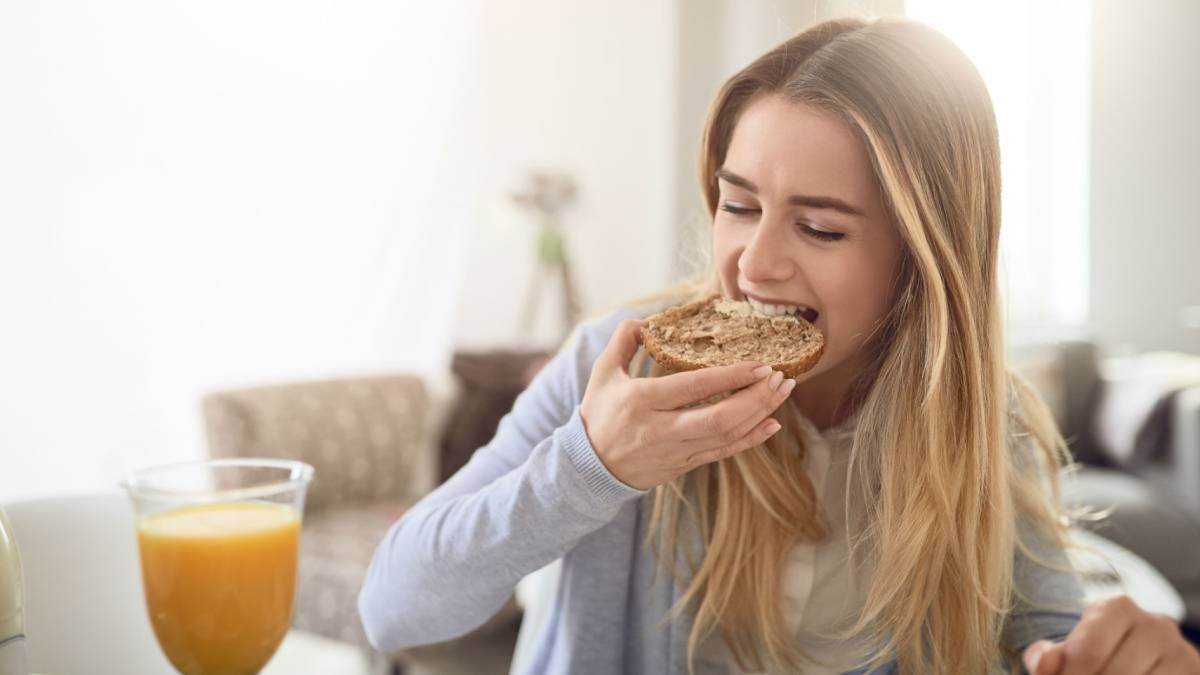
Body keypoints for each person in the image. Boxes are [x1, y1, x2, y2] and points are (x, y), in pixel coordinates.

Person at [359, 16, 1200, 674]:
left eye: (820, 226)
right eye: (739, 204)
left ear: (921, 258)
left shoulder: (976, 415)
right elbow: (392, 607)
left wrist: (1100, 652)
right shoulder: (619, 370)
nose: (755, 264)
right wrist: (591, 465)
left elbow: (1049, 632)